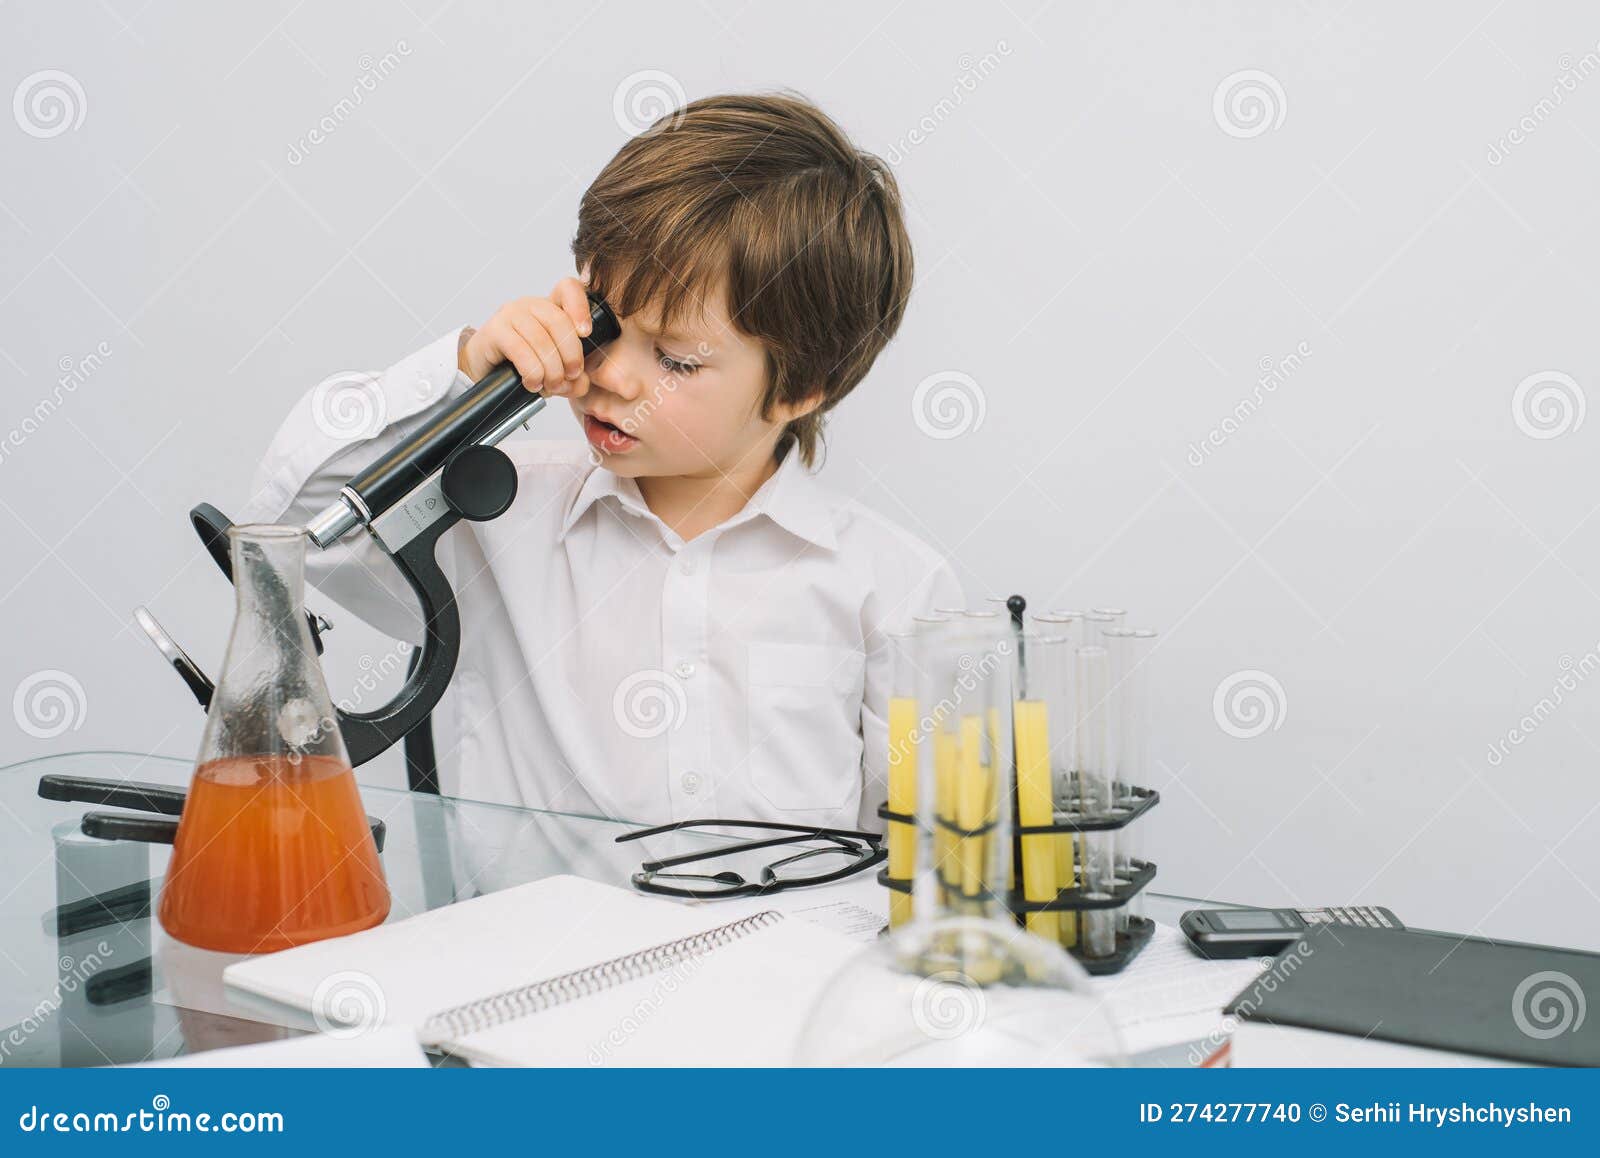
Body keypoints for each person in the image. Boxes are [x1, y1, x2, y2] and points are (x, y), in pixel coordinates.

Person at [243, 92, 962, 831]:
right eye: (605, 325)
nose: (611, 376)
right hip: (534, 947)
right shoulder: (499, 515)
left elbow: (925, 857)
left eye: (676, 360)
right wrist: (467, 371)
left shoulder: (894, 589)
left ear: (803, 389)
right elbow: (291, 519)